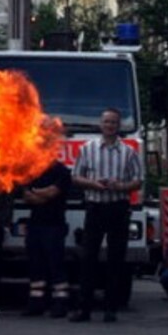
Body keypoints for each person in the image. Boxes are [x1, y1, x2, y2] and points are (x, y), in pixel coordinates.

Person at [69, 107, 143, 323]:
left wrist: (120, 186)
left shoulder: (129, 152)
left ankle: (111, 309)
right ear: (100, 125)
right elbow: (75, 177)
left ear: (118, 126)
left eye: (113, 122)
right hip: (95, 207)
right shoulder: (87, 149)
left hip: (118, 208)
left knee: (115, 259)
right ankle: (85, 309)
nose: (109, 125)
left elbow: (138, 180)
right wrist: (93, 184)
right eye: (106, 122)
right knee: (88, 258)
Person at [20, 159, 72, 318]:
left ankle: (60, 304)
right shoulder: (31, 170)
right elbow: (26, 196)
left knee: (56, 265)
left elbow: (53, 193)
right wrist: (43, 193)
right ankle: (36, 303)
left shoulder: (61, 171)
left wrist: (38, 192)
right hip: (35, 224)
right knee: (36, 265)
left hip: (54, 224)